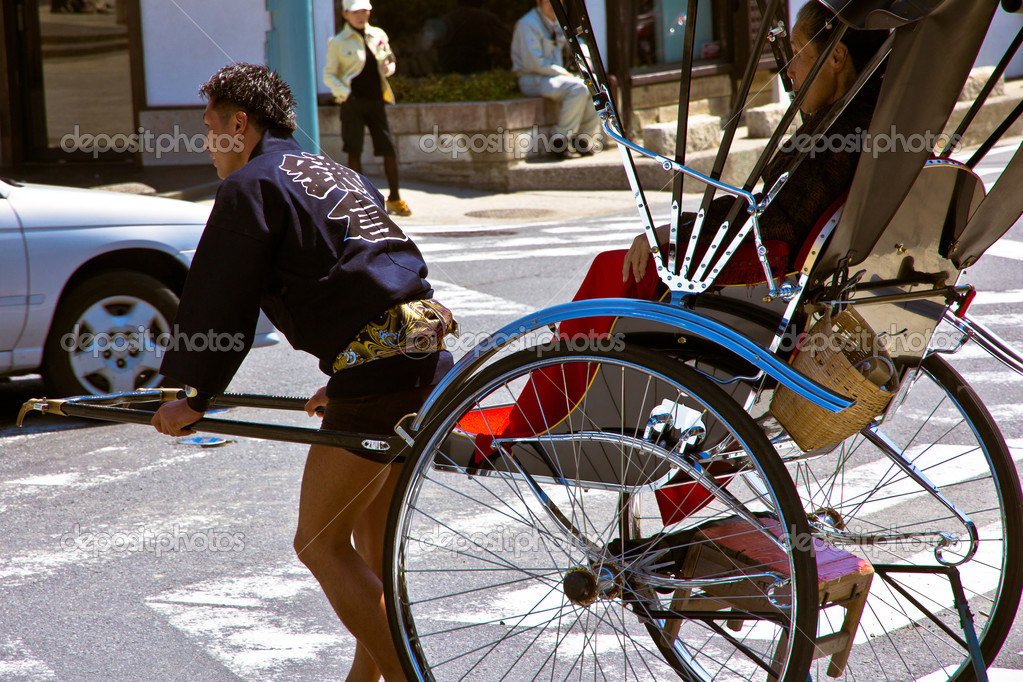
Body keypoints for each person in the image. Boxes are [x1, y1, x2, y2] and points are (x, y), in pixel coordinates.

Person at [151, 62, 456, 682]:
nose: (206, 141)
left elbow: (219, 300)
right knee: (370, 544)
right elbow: (377, 270)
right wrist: (346, 373)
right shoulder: (331, 170)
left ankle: (406, 677)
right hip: (422, 358)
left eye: (210, 127)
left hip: (380, 376)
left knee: (317, 543)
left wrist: (191, 394)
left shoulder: (251, 186)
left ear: (241, 124)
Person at [622, 2, 888, 284]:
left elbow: (779, 224)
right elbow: (770, 209)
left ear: (836, 57)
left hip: (768, 272)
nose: (790, 70)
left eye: (798, 53)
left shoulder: (839, 135)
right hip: (770, 256)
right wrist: (683, 225)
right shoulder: (855, 120)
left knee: (619, 270)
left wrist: (681, 231)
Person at [324, 0, 411, 217]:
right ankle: (359, 200)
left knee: (389, 148)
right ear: (345, 14)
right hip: (352, 103)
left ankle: (395, 198)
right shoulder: (338, 42)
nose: (362, 15)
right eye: (356, 11)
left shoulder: (378, 35)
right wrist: (346, 93)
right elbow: (329, 74)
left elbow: (390, 61)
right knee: (354, 150)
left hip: (376, 101)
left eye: (365, 10)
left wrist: (387, 68)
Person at [512, 0, 602, 159]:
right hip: (533, 78)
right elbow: (533, 63)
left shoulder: (558, 21)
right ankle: (559, 140)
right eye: (549, 1)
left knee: (594, 83)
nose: (554, 5)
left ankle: (583, 139)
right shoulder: (527, 24)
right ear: (538, 2)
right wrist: (565, 74)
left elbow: (577, 42)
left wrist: (586, 59)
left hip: (556, 77)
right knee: (578, 87)